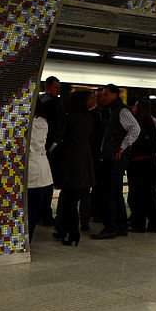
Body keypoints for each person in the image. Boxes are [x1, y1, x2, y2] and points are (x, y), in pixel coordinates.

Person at [91, 84, 140, 240]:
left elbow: (135, 129)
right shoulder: (110, 110)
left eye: (106, 94)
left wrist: (122, 147)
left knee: (110, 193)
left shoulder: (121, 111)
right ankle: (121, 226)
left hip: (115, 159)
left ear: (114, 95)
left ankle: (111, 227)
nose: (103, 97)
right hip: (110, 157)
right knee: (115, 193)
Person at [57, 90, 95, 246]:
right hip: (84, 164)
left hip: (72, 165)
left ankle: (71, 232)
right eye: (91, 98)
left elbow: (62, 140)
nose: (93, 101)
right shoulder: (88, 118)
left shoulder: (70, 118)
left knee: (69, 201)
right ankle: (71, 232)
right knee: (74, 200)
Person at [127, 100, 156, 233]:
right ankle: (153, 224)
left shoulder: (139, 123)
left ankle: (138, 223)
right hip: (150, 163)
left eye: (135, 106)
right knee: (150, 196)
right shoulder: (153, 121)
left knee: (137, 196)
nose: (133, 108)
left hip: (139, 164)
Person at [27, 99, 53, 242]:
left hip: (30, 170)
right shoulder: (43, 122)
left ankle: (25, 241)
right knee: (33, 211)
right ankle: (28, 240)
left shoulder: (27, 123)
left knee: (28, 210)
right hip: (43, 170)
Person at [39, 76, 63, 227]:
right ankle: (46, 216)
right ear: (48, 86)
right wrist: (55, 145)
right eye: (56, 87)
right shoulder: (54, 103)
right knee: (48, 183)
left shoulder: (40, 100)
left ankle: (41, 214)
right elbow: (59, 126)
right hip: (49, 148)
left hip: (43, 147)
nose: (58, 90)